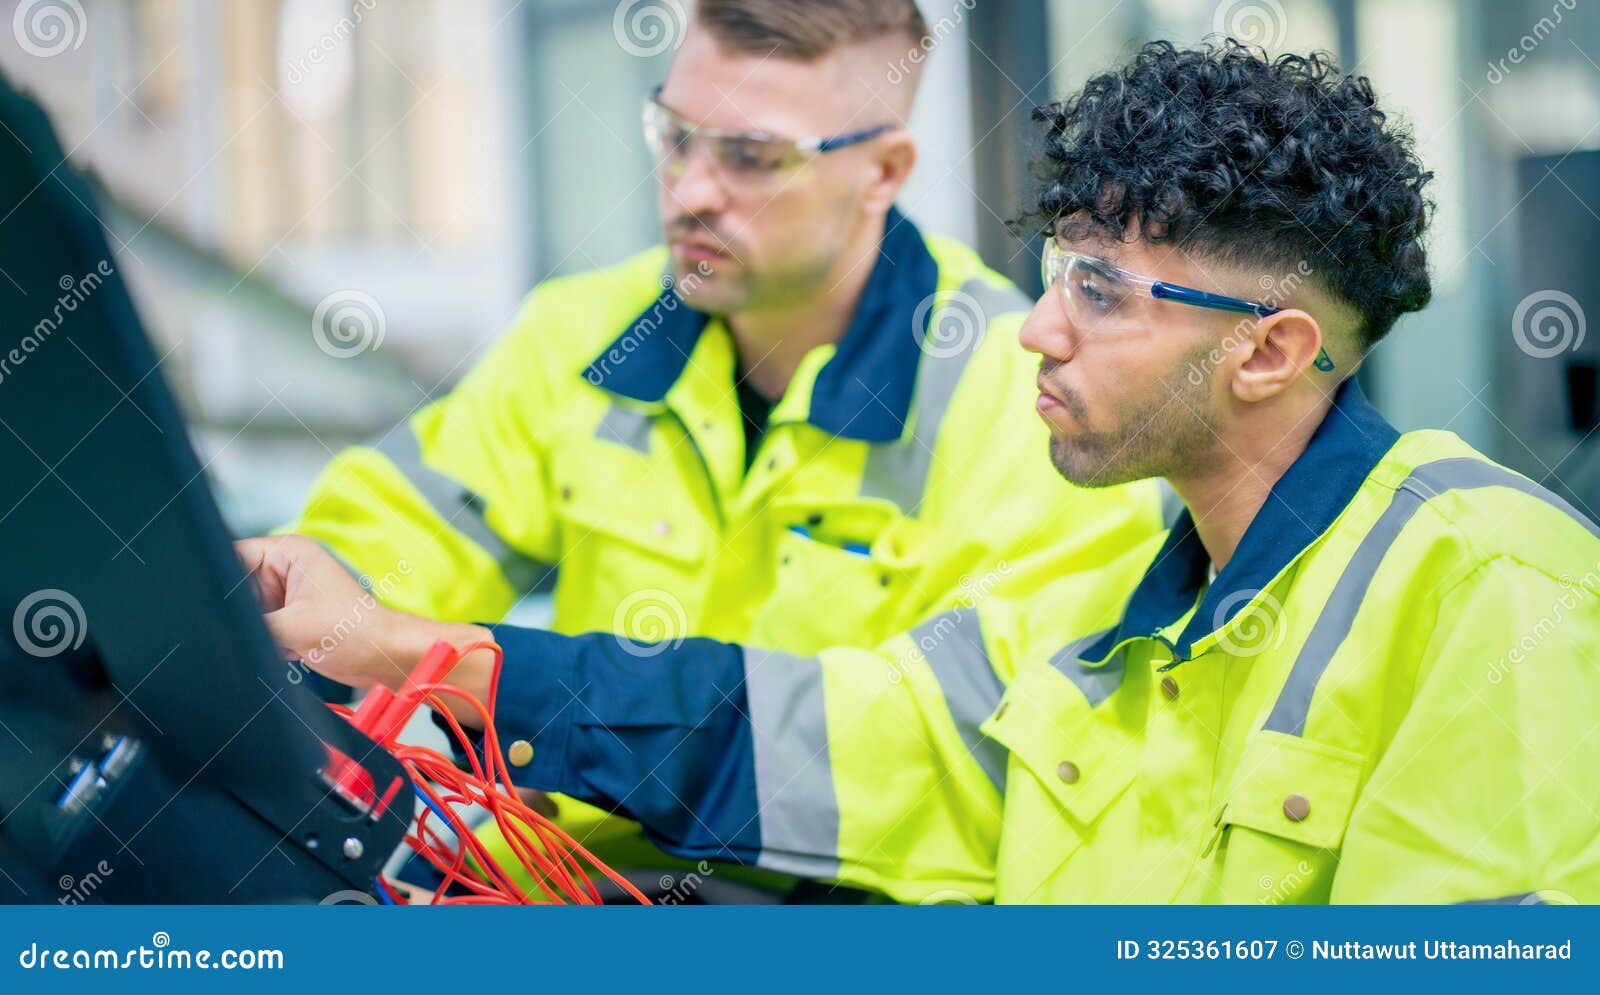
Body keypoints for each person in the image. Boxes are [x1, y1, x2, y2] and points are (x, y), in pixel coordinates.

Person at [247, 41, 1600, 903]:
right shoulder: (1105, 615)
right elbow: (801, 728)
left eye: (1101, 292)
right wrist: (429, 648)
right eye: (1057, 271)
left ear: (1269, 353)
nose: (1036, 324)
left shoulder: (1493, 588)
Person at [277, 0, 1162, 890]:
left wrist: (513, 683)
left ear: (882, 171)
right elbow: (395, 539)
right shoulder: (582, 334)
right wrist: (283, 607)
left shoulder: (1028, 403)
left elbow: (971, 762)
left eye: (752, 156)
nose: (691, 189)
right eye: (675, 134)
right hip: (560, 885)